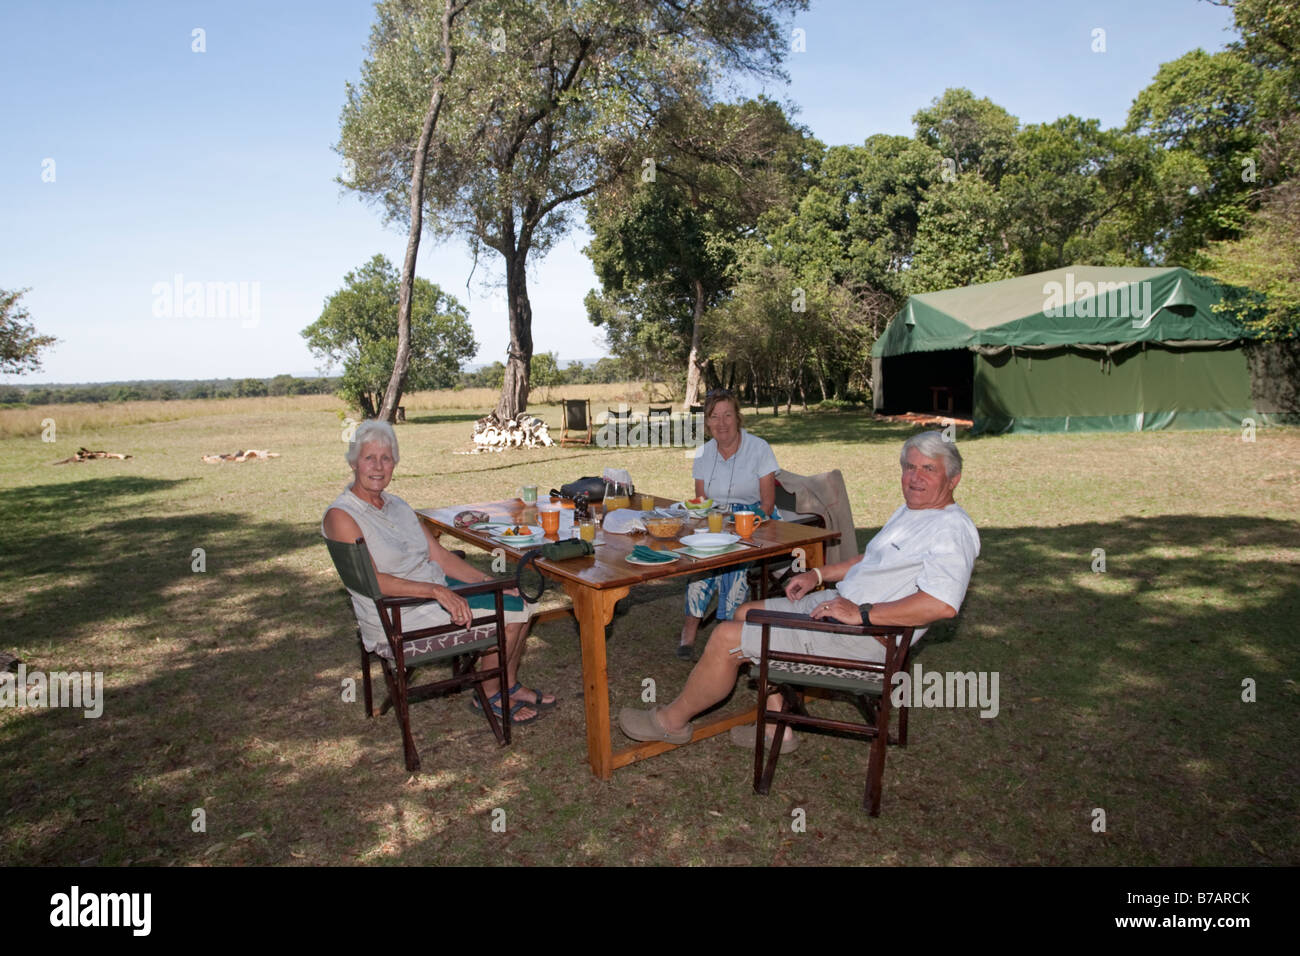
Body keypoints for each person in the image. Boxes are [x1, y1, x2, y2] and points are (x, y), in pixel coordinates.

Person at [620, 430, 979, 752]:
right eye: (910, 467)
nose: (915, 477)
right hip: (840, 609)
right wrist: (818, 574)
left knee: (727, 636)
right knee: (745, 612)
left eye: (928, 469)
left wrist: (862, 614)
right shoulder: (913, 511)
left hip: (868, 636)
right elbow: (869, 560)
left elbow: (941, 604)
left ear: (953, 479)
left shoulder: (952, 529)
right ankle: (780, 730)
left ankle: (670, 723)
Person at [323, 420, 554, 725]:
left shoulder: (397, 505)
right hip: (397, 613)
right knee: (511, 615)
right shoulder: (341, 516)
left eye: (386, 458)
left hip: (433, 591)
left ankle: (508, 685)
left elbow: (440, 556)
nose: (378, 466)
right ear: (353, 462)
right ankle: (488, 693)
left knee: (520, 599)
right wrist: (436, 591)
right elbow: (373, 581)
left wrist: (489, 582)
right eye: (369, 458)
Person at [677, 388, 779, 660]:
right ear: (707, 423)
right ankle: (689, 632)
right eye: (714, 417)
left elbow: (767, 504)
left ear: (738, 418)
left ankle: (726, 630)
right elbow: (701, 500)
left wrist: (739, 524)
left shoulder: (759, 448)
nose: (721, 423)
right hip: (715, 521)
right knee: (701, 561)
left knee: (732, 562)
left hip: (755, 520)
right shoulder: (703, 453)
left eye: (727, 415)